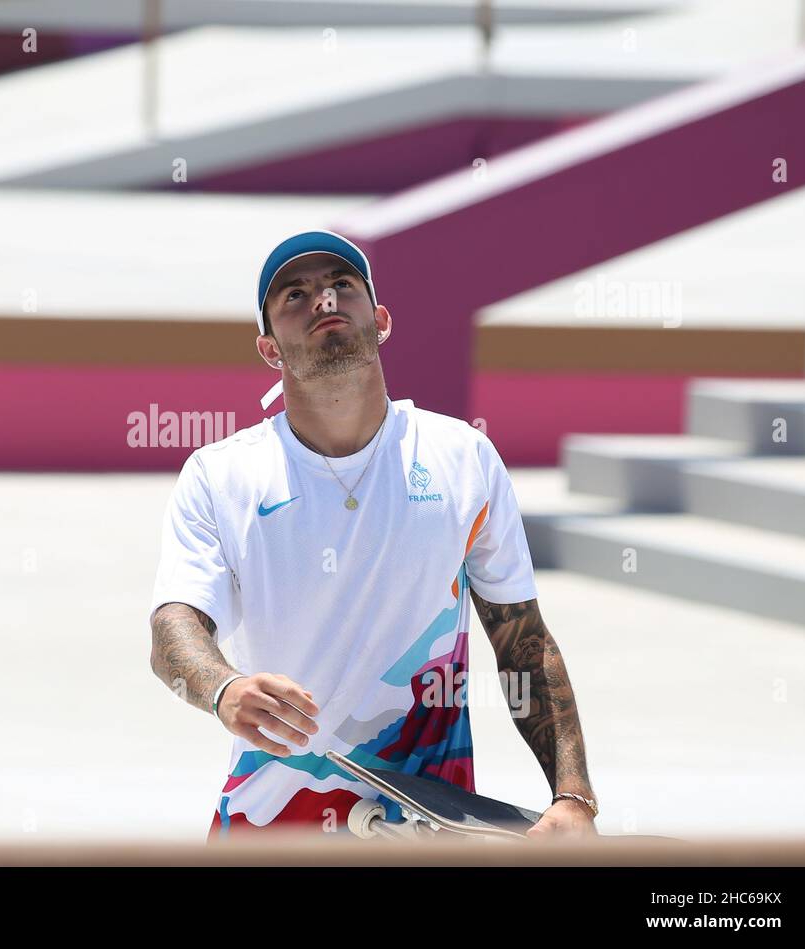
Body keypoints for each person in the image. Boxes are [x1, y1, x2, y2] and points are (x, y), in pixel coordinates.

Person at [148, 230, 598, 840]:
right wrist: (224, 688)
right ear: (268, 347)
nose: (324, 301)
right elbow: (173, 630)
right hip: (271, 820)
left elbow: (523, 642)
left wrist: (572, 795)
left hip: (430, 819)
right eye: (296, 295)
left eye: (342, 286)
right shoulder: (221, 474)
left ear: (380, 319)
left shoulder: (462, 457)